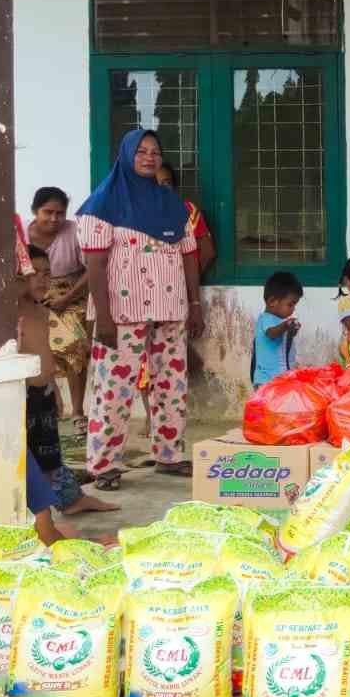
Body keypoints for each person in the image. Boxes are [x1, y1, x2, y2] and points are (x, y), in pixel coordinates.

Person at [77, 129, 205, 488]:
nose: (149, 158)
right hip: (121, 312)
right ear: (126, 155)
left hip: (170, 306)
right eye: (141, 152)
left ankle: (169, 455)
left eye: (155, 152)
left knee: (171, 383)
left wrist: (194, 304)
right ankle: (104, 466)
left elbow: (190, 255)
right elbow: (95, 265)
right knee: (114, 389)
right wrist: (103, 317)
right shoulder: (102, 203)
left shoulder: (172, 204)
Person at [16, 247, 116, 516]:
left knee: (51, 455)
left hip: (44, 391)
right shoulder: (12, 312)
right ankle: (38, 513)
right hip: (20, 397)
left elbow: (45, 352)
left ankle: (72, 501)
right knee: (26, 457)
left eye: (47, 273)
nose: (42, 279)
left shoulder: (41, 310)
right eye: (33, 273)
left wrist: (56, 391)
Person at [26, 186, 90, 423]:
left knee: (74, 343)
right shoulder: (22, 232)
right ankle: (52, 403)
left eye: (60, 213)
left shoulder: (75, 231)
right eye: (48, 212)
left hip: (71, 296)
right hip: (33, 296)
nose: (54, 218)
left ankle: (77, 411)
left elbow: (92, 269)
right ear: (35, 211)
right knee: (34, 341)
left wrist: (66, 298)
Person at [156, 163, 217, 277]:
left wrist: (186, 281)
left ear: (173, 186)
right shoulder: (134, 215)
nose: (161, 189)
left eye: (166, 183)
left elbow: (207, 253)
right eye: (154, 184)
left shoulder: (187, 210)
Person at [253, 271, 304, 387]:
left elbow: (285, 340)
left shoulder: (280, 321)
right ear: (272, 302)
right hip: (267, 381)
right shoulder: (266, 319)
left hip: (281, 378)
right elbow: (271, 333)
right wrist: (285, 325)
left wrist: (292, 330)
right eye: (290, 304)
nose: (293, 309)